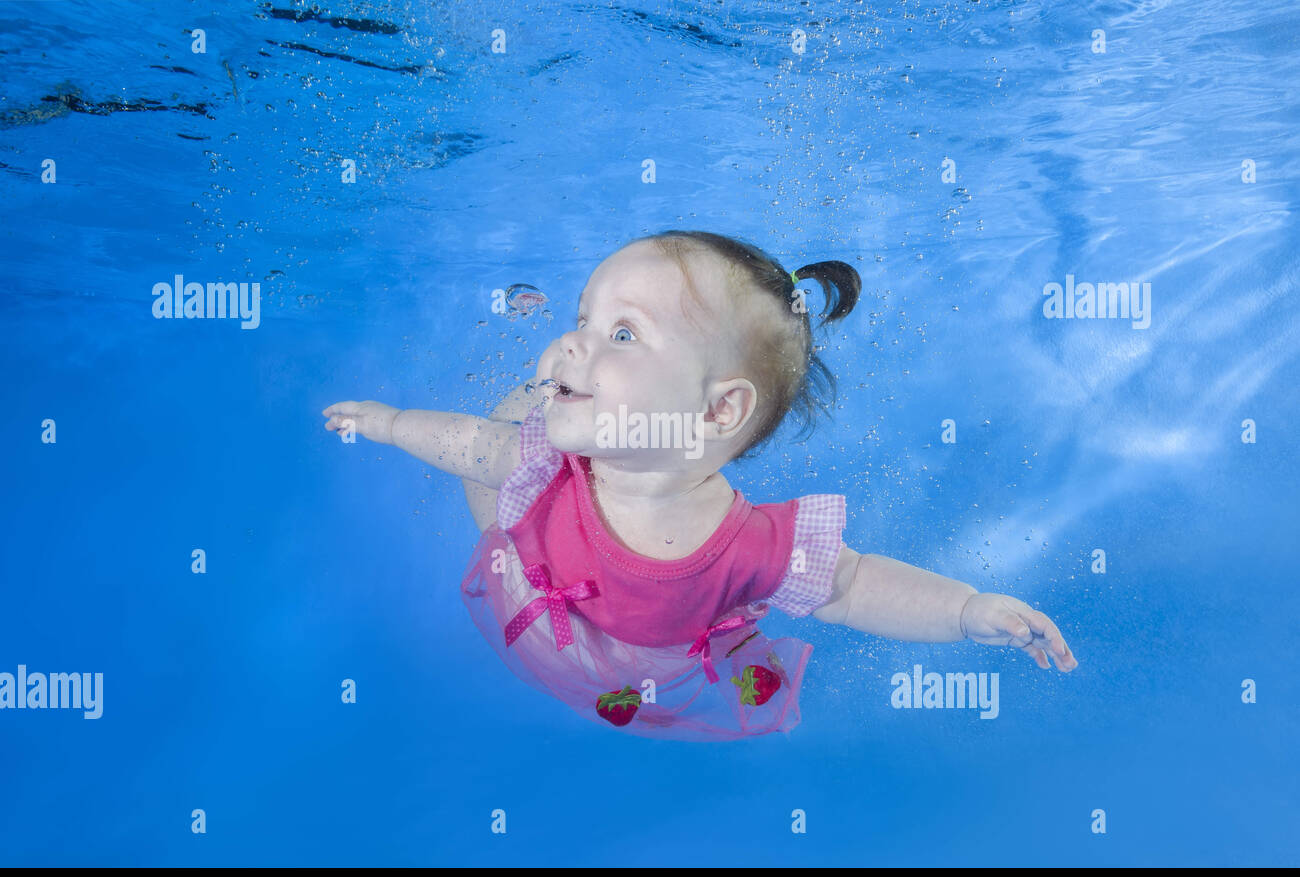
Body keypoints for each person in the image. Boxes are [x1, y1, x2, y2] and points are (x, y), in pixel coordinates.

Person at [322, 230, 1077, 741]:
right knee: (502, 452)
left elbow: (855, 586)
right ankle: (549, 405)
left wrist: (967, 609)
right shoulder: (553, 463)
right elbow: (465, 444)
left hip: (645, 653)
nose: (573, 335)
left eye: (622, 334)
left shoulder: (748, 544)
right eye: (584, 317)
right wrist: (390, 423)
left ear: (719, 409)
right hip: (539, 585)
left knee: (514, 452)